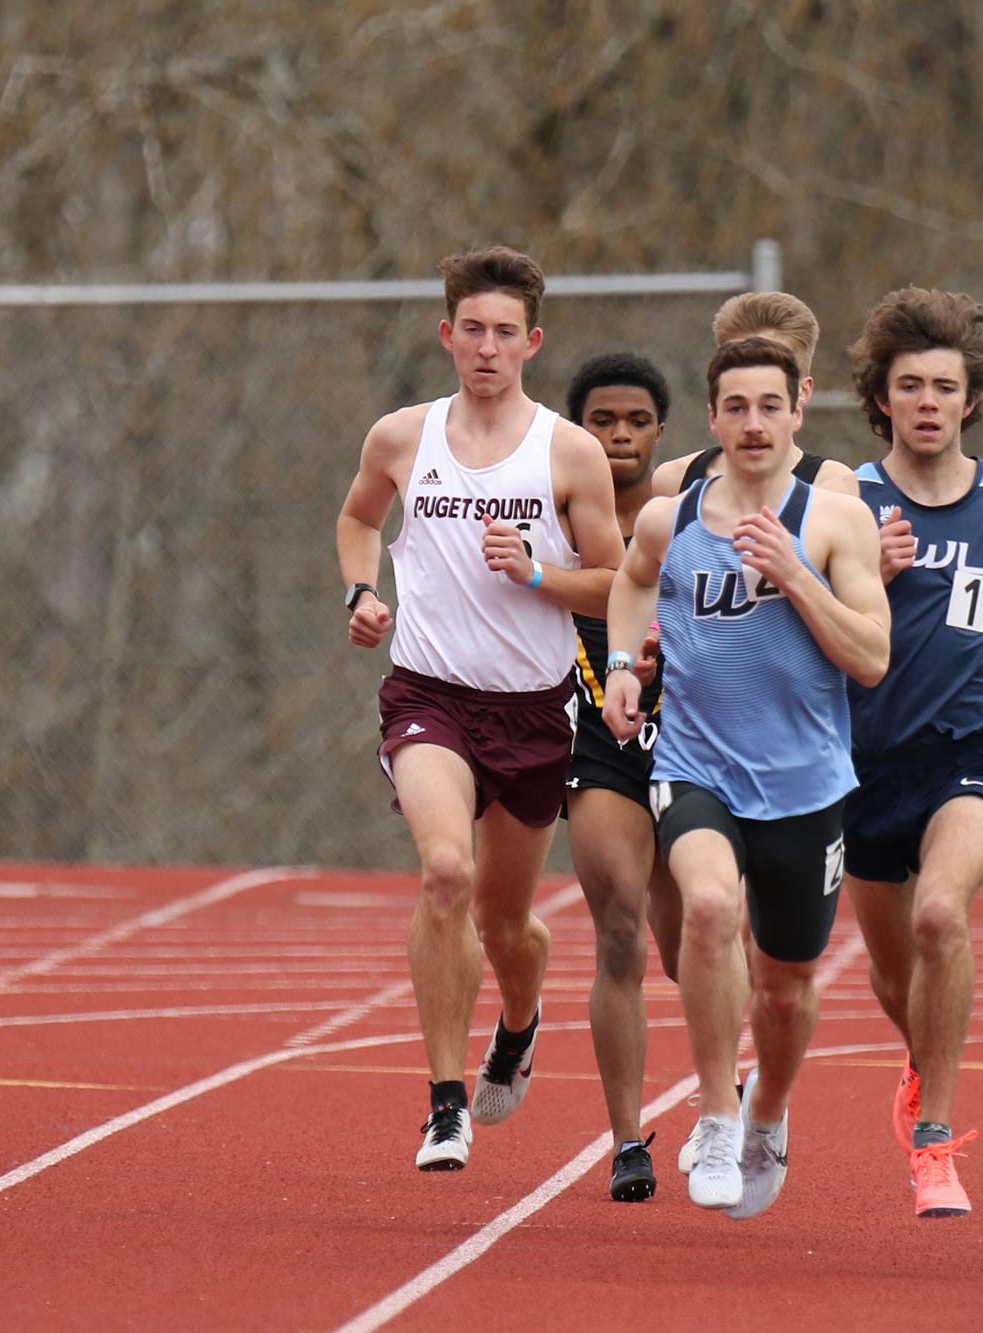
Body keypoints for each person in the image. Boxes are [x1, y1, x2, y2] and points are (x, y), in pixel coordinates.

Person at [335, 246, 624, 1172]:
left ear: (532, 342)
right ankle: (445, 1099)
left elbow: (617, 586)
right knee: (445, 874)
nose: (488, 347)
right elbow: (358, 521)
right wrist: (359, 593)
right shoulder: (400, 437)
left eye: (506, 332)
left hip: (535, 710)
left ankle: (520, 1019)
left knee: (506, 924)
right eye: (473, 330)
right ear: (446, 334)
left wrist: (536, 571)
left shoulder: (569, 452)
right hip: (428, 696)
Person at [603, 337, 890, 1218]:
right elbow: (631, 579)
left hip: (806, 785)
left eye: (771, 405)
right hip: (696, 766)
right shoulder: (671, 517)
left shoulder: (836, 520)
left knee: (787, 986)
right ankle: (719, 1111)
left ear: (798, 410)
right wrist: (622, 663)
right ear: (714, 417)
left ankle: (767, 1109)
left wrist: (795, 574)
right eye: (737, 406)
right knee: (711, 908)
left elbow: (872, 657)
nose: (754, 423)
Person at [840, 287, 983, 1218]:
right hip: (858, 764)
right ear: (882, 399)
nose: (928, 402)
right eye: (910, 386)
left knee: (941, 916)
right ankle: (917, 1054)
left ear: (970, 399)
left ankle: (935, 1143)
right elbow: (803, 612)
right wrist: (865, 573)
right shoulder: (848, 498)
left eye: (945, 386)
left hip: (967, 753)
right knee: (894, 971)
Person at [559, 351, 679, 1201]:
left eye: (637, 420)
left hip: (694, 740)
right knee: (618, 930)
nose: (621, 435)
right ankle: (628, 1137)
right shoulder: (555, 520)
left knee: (695, 937)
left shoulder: (687, 519)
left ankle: (721, 1091)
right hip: (598, 746)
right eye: (603, 420)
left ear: (662, 432)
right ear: (578, 431)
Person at [651, 291, 857, 499]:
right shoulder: (675, 481)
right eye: (740, 363)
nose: (755, 376)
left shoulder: (831, 485)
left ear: (802, 391)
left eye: (776, 365)